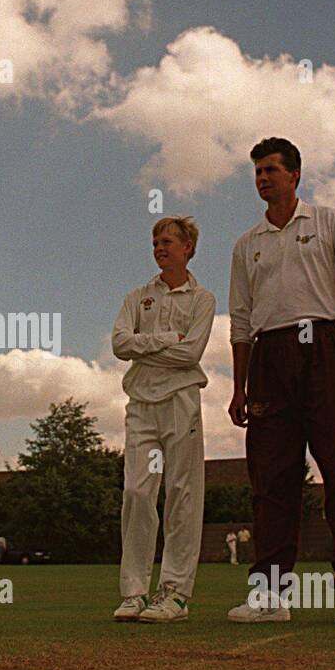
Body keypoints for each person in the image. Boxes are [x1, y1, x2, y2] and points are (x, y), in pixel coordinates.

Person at [226, 137, 335, 625]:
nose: (263, 178)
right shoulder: (247, 244)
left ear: (295, 175)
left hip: (327, 350)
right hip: (270, 358)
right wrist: (238, 386)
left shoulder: (330, 222)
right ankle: (270, 594)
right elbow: (240, 321)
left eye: (271, 170)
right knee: (271, 479)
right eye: (257, 172)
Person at [111, 216, 215, 623]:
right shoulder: (138, 296)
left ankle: (174, 593)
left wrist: (144, 346)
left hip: (180, 402)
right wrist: (165, 340)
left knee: (182, 494)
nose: (160, 248)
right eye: (155, 242)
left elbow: (191, 356)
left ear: (188, 247)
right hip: (141, 403)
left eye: (168, 241)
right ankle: (135, 592)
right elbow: (120, 343)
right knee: (137, 493)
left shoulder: (201, 299)